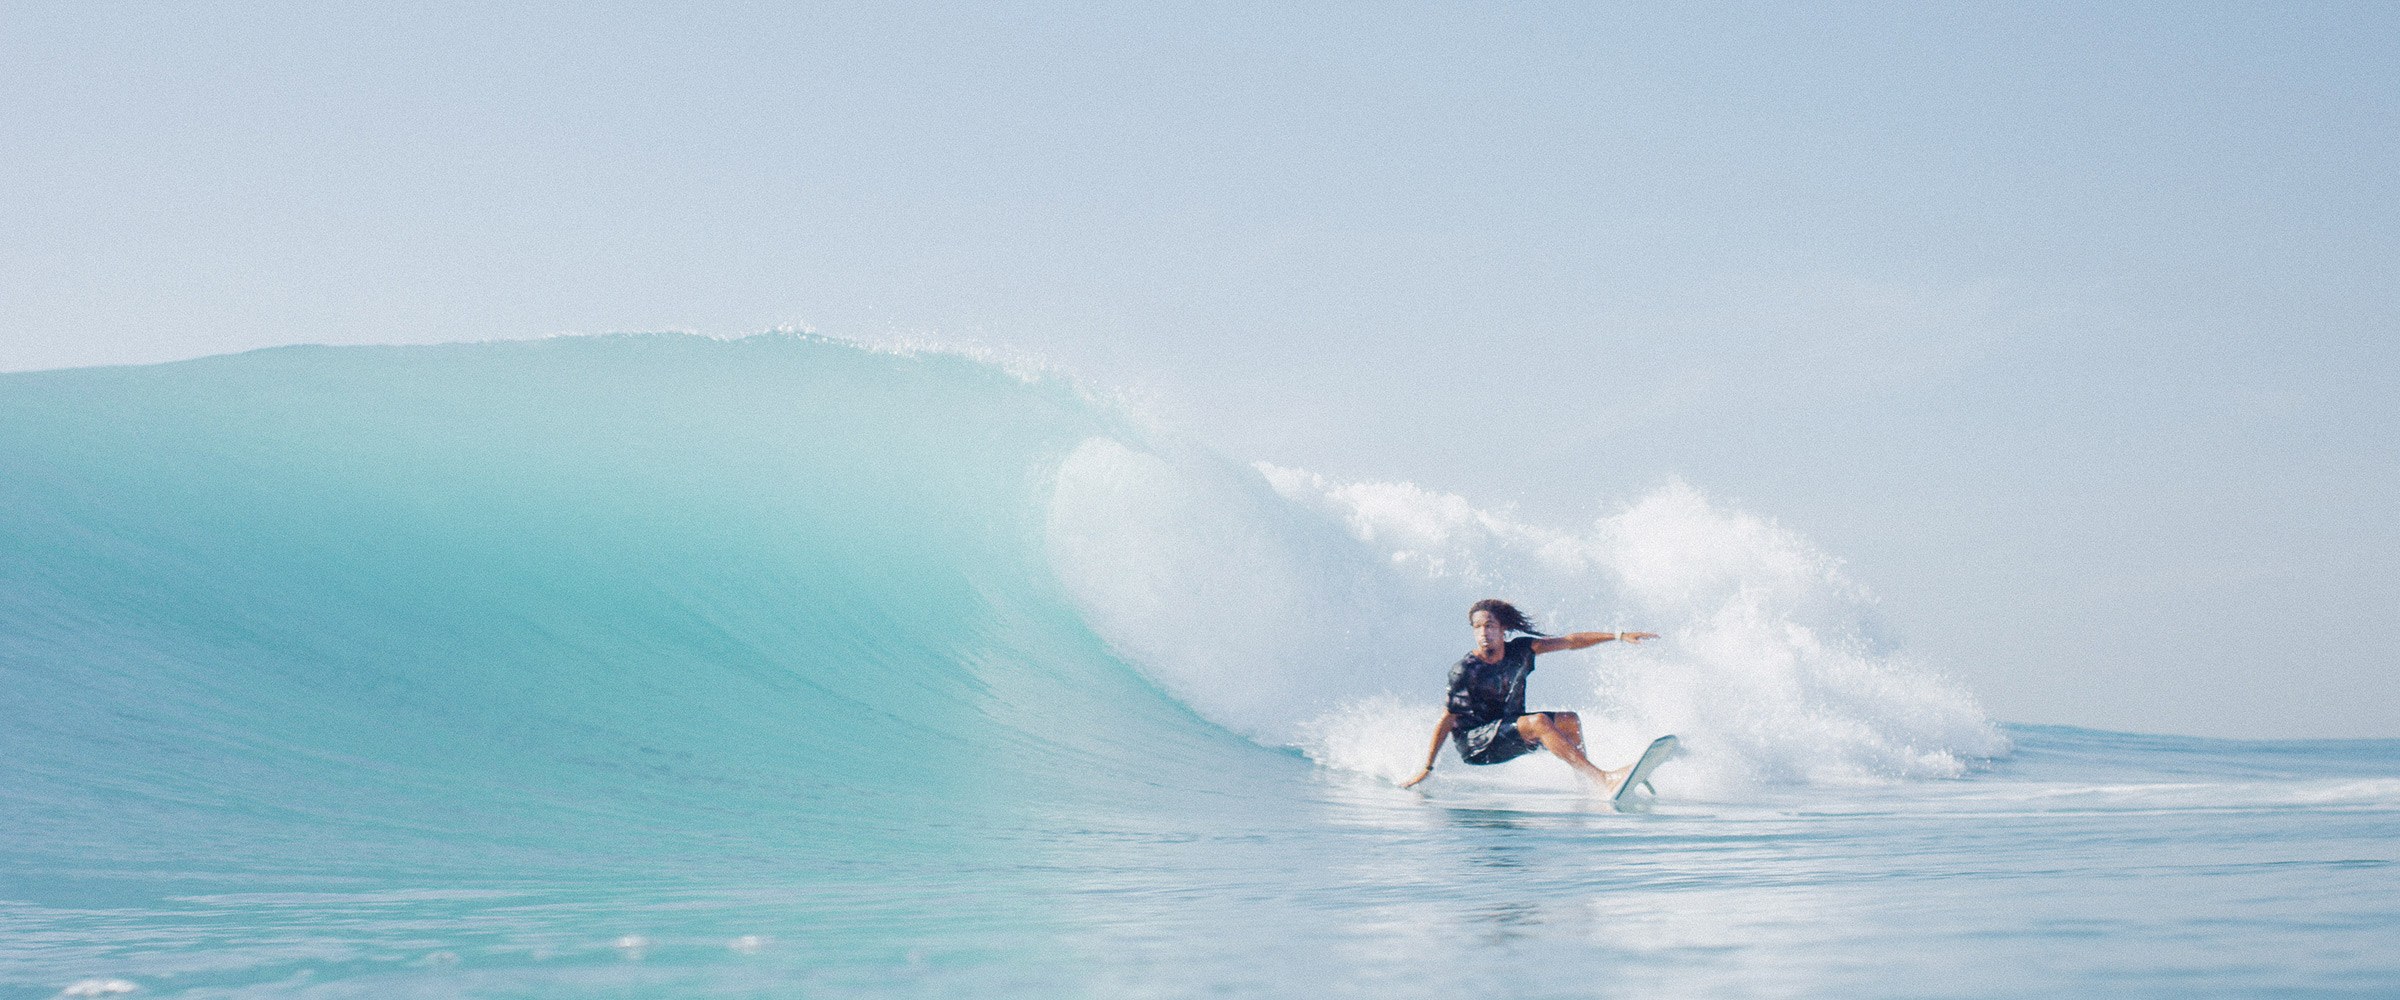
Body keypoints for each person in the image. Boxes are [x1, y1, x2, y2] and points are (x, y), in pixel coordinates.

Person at [1398, 599, 1657, 792]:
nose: (1483, 633)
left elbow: (1571, 641)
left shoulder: (1521, 650)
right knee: (1540, 722)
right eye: (1477, 627)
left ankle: (1588, 785)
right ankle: (1601, 780)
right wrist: (1427, 767)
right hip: (1476, 745)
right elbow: (1447, 719)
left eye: (1489, 626)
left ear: (1503, 629)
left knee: (1570, 720)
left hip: (1506, 729)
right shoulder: (1466, 670)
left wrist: (1618, 636)